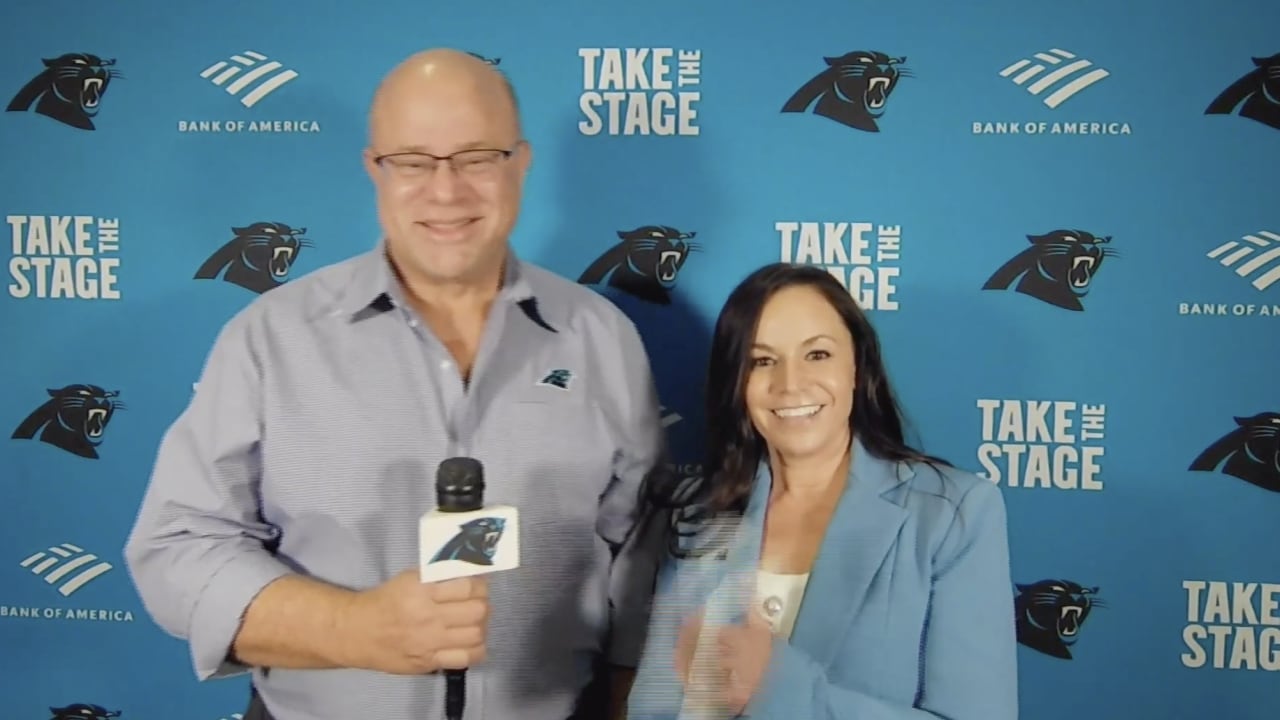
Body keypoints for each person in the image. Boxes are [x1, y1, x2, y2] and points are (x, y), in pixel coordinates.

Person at [123, 48, 667, 720]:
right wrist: (353, 628)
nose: (446, 191)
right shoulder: (270, 338)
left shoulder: (603, 339)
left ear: (520, 162)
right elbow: (178, 550)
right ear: (373, 168)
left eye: (476, 157)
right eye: (412, 161)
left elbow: (641, 553)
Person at [625, 263, 1019, 719]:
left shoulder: (953, 515)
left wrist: (777, 686)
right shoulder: (700, 512)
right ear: (737, 383)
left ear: (858, 365)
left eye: (817, 355)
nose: (790, 384)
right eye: (762, 361)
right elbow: (652, 706)